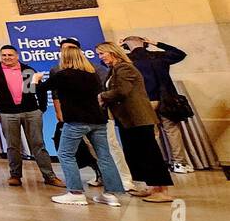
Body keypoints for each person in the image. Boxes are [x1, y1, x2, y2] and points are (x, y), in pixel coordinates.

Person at [39, 43, 126, 206]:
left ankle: (75, 192)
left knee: (65, 154)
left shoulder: (63, 74)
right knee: (104, 156)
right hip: (98, 121)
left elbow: (42, 89)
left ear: (64, 58)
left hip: (76, 121)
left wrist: (36, 80)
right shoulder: (92, 75)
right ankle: (110, 194)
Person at [97, 43, 173, 204]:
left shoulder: (125, 68)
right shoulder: (114, 70)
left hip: (137, 117)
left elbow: (122, 90)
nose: (101, 57)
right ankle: (152, 186)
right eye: (99, 54)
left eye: (102, 53)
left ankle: (162, 190)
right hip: (126, 119)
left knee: (150, 153)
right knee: (139, 153)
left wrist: (102, 96)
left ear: (113, 52)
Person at [0, 45, 61, 187]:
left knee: (38, 144)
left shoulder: (27, 70)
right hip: (7, 113)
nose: (7, 58)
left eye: (10, 55)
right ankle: (15, 175)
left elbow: (38, 89)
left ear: (17, 56)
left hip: (31, 112)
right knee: (13, 146)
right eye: (4, 55)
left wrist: (41, 108)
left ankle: (49, 176)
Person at [123, 36, 194, 175]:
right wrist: (156, 43)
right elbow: (180, 54)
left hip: (144, 100)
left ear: (126, 45)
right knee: (172, 131)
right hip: (166, 99)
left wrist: (119, 46)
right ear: (145, 43)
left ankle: (158, 163)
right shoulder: (158, 56)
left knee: (151, 133)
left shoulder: (127, 60)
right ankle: (178, 163)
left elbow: (105, 62)